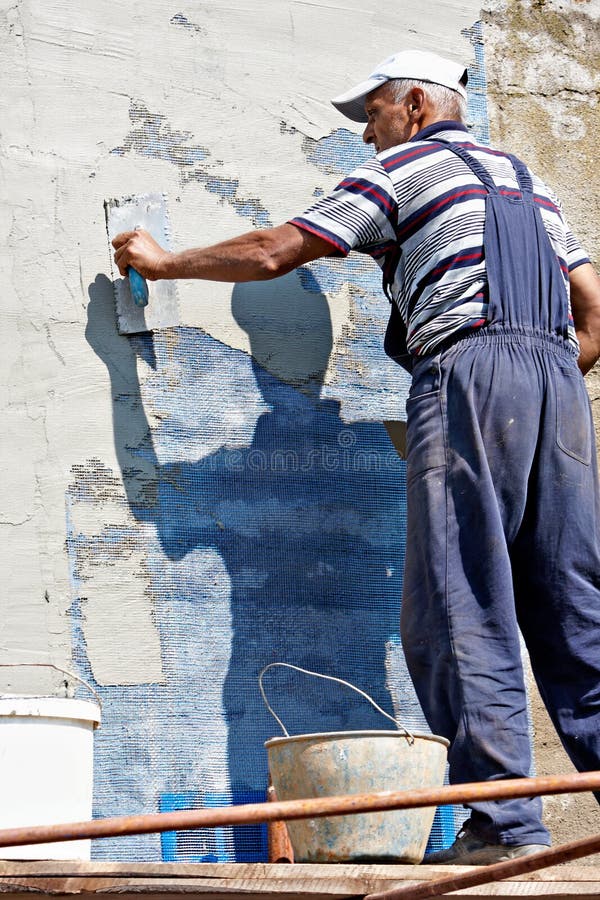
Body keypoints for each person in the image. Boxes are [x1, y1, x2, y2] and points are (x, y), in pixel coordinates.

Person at [113, 49, 600, 865]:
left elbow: (274, 250)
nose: (367, 135)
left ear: (415, 106)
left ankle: (504, 827)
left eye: (371, 115)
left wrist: (163, 263)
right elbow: (595, 309)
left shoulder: (401, 169)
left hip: (467, 368)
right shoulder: (527, 181)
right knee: (575, 610)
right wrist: (535, 389)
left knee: (459, 605)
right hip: (559, 388)